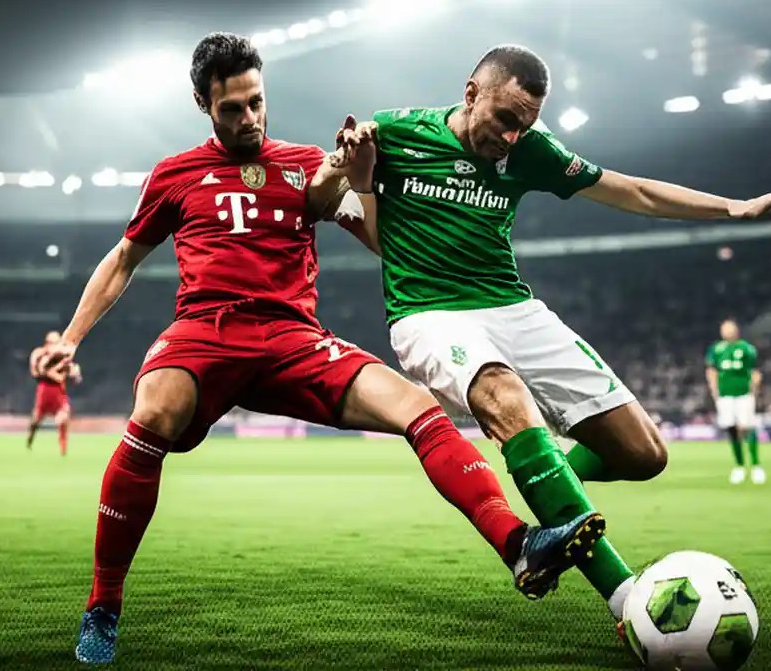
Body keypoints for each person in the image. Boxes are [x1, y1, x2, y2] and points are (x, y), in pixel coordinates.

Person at [38, 33, 605, 665]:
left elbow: (382, 239)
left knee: (419, 407)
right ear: (204, 104)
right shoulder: (175, 174)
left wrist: (354, 175)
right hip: (207, 331)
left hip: (295, 339)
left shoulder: (308, 164)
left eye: (257, 102)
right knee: (152, 416)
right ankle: (103, 606)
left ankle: (519, 544)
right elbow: (122, 260)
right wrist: (68, 339)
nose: (249, 118)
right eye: (233, 108)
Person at [338, 44, 771, 624]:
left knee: (643, 453)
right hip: (430, 313)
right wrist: (357, 178)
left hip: (514, 308)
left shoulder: (531, 152)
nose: (514, 137)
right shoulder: (392, 133)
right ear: (471, 93)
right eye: (506, 119)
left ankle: (544, 479)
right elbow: (370, 231)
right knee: (503, 393)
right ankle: (627, 600)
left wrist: (736, 210)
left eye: (527, 125)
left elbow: (630, 190)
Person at [706, 319, 765, 484]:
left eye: (729, 328)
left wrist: (754, 389)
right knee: (731, 428)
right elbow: (711, 370)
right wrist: (714, 389)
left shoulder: (746, 348)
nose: (726, 331)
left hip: (743, 393)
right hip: (725, 395)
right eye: (724, 329)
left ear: (736, 330)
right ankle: (739, 466)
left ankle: (756, 466)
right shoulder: (716, 349)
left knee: (747, 427)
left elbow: (755, 371)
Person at [28, 331, 80, 456]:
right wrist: (53, 372)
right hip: (44, 388)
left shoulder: (63, 356)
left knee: (64, 416)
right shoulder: (39, 354)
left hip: (58, 390)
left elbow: (71, 374)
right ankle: (30, 438)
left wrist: (74, 373)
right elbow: (37, 372)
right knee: (36, 418)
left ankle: (63, 446)